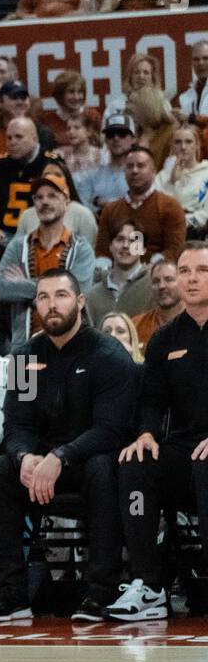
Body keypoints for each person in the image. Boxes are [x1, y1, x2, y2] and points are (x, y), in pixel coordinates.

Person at [0, 270, 139, 624]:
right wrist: (24, 456)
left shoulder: (108, 355)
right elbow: (17, 425)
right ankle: (12, 593)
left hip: (90, 460)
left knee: (103, 467)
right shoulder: (24, 358)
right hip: (44, 463)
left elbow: (110, 431)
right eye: (44, 297)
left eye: (61, 295)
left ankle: (101, 591)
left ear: (80, 302)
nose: (52, 304)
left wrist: (61, 457)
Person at [103, 243, 208, 621]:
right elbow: (151, 399)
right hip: (184, 449)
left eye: (202, 270)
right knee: (136, 464)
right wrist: (146, 433)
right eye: (185, 271)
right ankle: (148, 585)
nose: (192, 278)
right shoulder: (165, 339)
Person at [0, 174, 96, 349]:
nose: (44, 202)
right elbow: (3, 288)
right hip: (23, 343)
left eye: (52, 195)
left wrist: (27, 288)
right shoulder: (18, 246)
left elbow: (80, 291)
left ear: (66, 201)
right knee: (17, 376)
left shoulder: (82, 248)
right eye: (39, 197)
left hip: (72, 345)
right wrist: (59, 293)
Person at [95, 147, 186, 267]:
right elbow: (102, 251)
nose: (134, 171)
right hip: (116, 275)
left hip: (155, 276)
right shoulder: (110, 210)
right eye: (129, 166)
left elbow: (174, 250)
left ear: (153, 172)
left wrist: (151, 269)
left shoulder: (170, 206)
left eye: (141, 166)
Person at [0, 117, 49, 243]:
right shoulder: (0, 163)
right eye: (9, 138)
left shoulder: (50, 163)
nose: (12, 142)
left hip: (37, 236)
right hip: (2, 234)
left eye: (19, 137)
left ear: (34, 138)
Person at [76, 112, 137, 212]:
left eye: (122, 134)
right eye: (110, 134)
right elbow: (82, 209)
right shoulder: (91, 176)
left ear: (133, 138)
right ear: (106, 140)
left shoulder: (140, 174)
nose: (116, 138)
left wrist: (99, 201)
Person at [133, 260, 182, 348]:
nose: (161, 286)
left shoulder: (199, 322)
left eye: (169, 279)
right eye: (156, 281)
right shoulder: (136, 325)